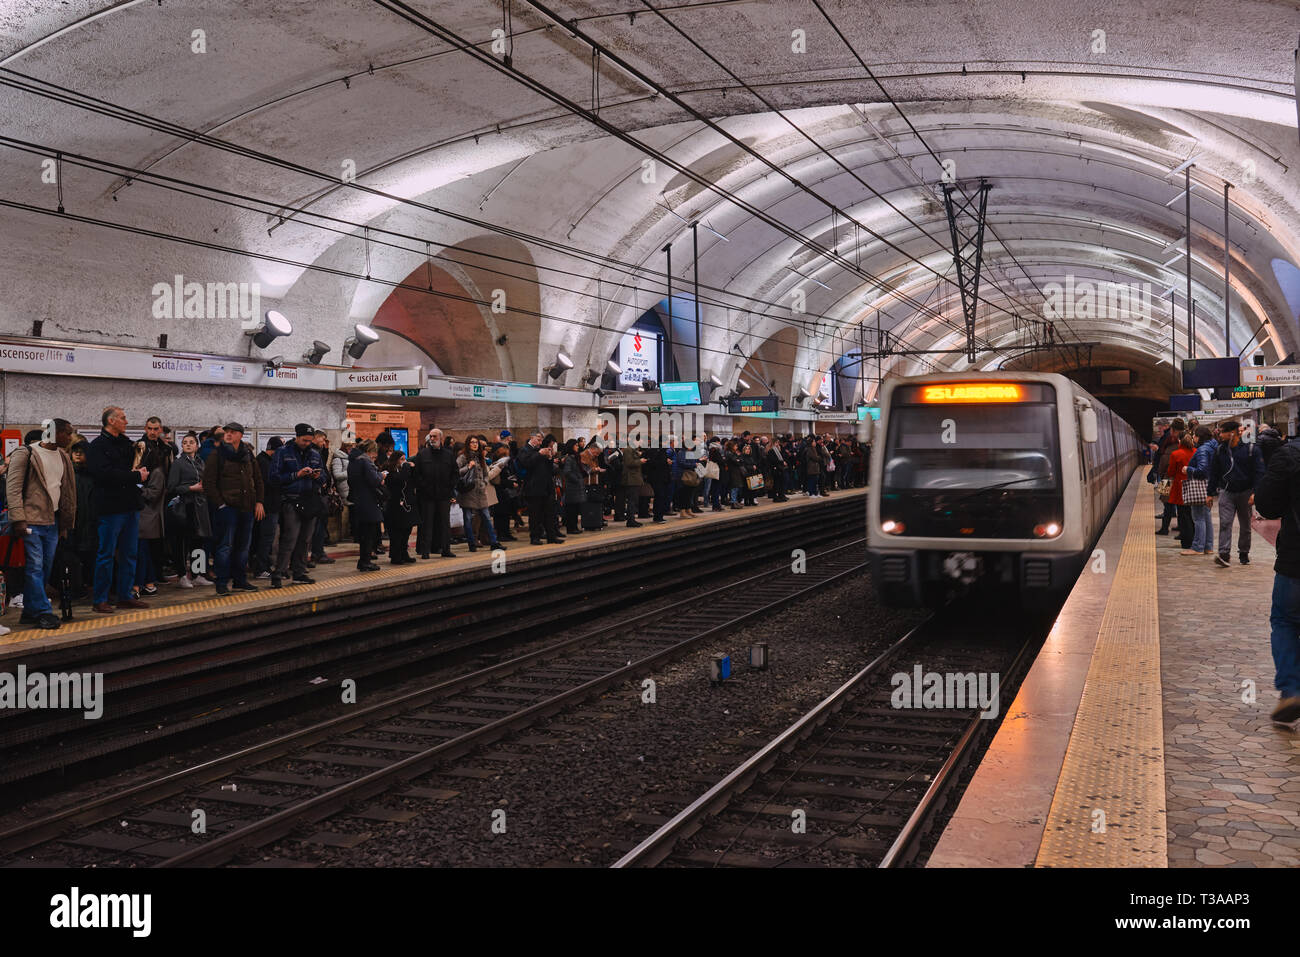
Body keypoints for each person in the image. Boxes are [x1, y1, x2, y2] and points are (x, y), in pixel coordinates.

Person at [5, 420, 76, 629]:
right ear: (55, 433)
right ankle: (43, 611)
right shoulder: (26, 453)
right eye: (67, 434)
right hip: (31, 520)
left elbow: (67, 492)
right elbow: (13, 488)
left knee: (45, 566)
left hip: (52, 521)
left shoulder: (63, 456)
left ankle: (29, 610)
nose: (70, 438)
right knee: (35, 567)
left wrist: (64, 524)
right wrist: (18, 519)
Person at [1253, 430, 1300, 722]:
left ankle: (1292, 691)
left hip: (1296, 560)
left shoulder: (1290, 455)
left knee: (1284, 621)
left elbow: (1266, 505)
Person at [87, 406, 150, 613]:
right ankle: (100, 599)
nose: (126, 421)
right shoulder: (97, 446)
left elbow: (133, 467)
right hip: (110, 507)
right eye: (123, 418)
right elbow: (104, 474)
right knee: (106, 554)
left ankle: (125, 595)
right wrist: (134, 476)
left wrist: (141, 469)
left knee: (129, 553)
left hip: (130, 505)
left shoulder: (126, 444)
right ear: (111, 421)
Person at [201, 421, 265, 595]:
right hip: (227, 507)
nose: (228, 434)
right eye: (226, 432)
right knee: (225, 546)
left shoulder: (248, 454)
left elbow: (258, 479)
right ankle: (221, 583)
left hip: (247, 507)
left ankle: (240, 580)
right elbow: (208, 483)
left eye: (232, 432)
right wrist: (221, 504)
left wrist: (259, 501)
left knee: (243, 547)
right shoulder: (217, 455)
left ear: (240, 435)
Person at [270, 423, 326, 588]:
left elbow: (324, 477)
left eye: (310, 440)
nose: (307, 443)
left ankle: (299, 573)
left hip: (310, 500)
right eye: (304, 440)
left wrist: (318, 476)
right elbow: (274, 477)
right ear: (296, 437)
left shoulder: (315, 455)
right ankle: (278, 573)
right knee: (290, 538)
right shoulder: (282, 452)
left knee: (305, 539)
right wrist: (297, 475)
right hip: (291, 500)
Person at [1207, 421, 1265, 568]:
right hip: (1226, 491)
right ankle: (1224, 554)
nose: (1220, 435)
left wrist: (1255, 493)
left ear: (1233, 433)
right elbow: (1214, 473)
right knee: (1225, 523)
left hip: (1246, 492)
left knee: (1245, 525)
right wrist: (1209, 493)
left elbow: (1259, 473)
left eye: (1223, 432)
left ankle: (1244, 552)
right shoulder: (1220, 451)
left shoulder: (1251, 449)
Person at [165, 432, 212, 588]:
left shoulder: (200, 461)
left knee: (199, 540)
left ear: (197, 445)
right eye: (185, 442)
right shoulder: (178, 463)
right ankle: (182, 575)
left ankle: (198, 573)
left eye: (191, 442)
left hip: (201, 505)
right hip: (185, 506)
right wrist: (191, 488)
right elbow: (171, 487)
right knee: (182, 542)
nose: (188, 444)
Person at [414, 428, 457, 559]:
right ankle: (425, 551)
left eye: (434, 437)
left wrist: (450, 488)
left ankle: (445, 549)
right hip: (427, 496)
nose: (432, 439)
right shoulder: (422, 454)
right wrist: (423, 487)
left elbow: (455, 473)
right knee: (427, 523)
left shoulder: (448, 455)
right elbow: (417, 474)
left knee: (444, 523)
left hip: (443, 495)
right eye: (430, 437)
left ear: (441, 438)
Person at [457, 436, 506, 551]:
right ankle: (471, 543)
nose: (474, 444)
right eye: (472, 442)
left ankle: (494, 542)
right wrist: (468, 467)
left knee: (487, 517)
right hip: (467, 492)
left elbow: (485, 474)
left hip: (480, 492)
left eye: (476, 443)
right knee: (468, 518)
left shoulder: (480, 457)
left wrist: (483, 483)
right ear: (468, 444)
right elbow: (456, 472)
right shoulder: (463, 457)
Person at [518, 432, 561, 544]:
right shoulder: (525, 450)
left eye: (541, 440)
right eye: (538, 439)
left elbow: (549, 469)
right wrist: (539, 454)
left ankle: (551, 537)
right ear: (532, 438)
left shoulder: (540, 450)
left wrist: (550, 458)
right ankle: (535, 537)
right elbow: (526, 463)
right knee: (535, 514)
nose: (540, 442)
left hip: (546, 486)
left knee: (549, 513)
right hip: (533, 488)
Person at [348, 439, 384, 571]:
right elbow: (374, 480)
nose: (374, 456)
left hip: (358, 499)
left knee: (364, 533)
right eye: (374, 452)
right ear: (370, 451)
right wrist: (381, 475)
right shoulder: (364, 461)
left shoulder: (353, 461)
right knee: (369, 533)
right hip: (368, 500)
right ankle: (365, 561)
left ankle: (364, 561)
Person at [1183, 424, 1218, 557]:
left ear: (1199, 437)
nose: (1193, 438)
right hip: (1209, 486)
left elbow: (1202, 470)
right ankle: (1208, 546)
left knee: (1198, 518)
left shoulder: (1203, 449)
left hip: (1201, 486)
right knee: (1206, 517)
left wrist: (1188, 469)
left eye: (1194, 436)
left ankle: (1197, 547)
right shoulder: (1213, 447)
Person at [252, 436, 283, 577]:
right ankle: (261, 568)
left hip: (269, 505)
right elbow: (266, 485)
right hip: (268, 507)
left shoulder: (264, 460)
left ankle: (263, 565)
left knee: (265, 538)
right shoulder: (264, 463)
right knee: (266, 538)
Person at [383, 449, 417, 564]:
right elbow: (398, 481)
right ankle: (395, 555)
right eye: (402, 459)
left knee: (406, 530)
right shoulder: (389, 471)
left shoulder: (404, 470)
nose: (404, 462)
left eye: (405, 459)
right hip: (394, 506)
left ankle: (404, 552)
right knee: (396, 533)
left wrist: (412, 469)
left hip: (406, 504)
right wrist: (406, 468)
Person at [309, 430, 336, 566]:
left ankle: (318, 552)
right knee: (318, 525)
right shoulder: (312, 453)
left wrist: (325, 450)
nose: (324, 442)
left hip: (321, 493)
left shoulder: (318, 451)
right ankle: (317, 552)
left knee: (320, 525)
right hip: (317, 494)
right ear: (315, 438)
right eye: (322, 439)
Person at [1155, 418, 1185, 535]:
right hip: (1180, 479)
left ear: (1172, 430)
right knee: (1181, 507)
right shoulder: (1186, 444)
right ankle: (1181, 528)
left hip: (1167, 478)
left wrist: (1160, 475)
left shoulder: (1170, 445)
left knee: (1167, 506)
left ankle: (1164, 528)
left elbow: (1163, 464)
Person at [1168, 433, 1196, 553]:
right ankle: (1196, 539)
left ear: (1180, 442)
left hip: (1181, 488)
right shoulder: (1197, 452)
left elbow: (1171, 472)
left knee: (1183, 516)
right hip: (1195, 487)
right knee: (1194, 515)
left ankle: (1186, 542)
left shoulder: (1176, 454)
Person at [621, 437, 646, 528]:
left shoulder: (633, 450)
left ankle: (632, 519)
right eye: (641, 441)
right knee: (632, 500)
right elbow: (629, 463)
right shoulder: (628, 450)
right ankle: (630, 520)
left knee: (634, 500)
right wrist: (640, 461)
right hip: (631, 479)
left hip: (635, 478)